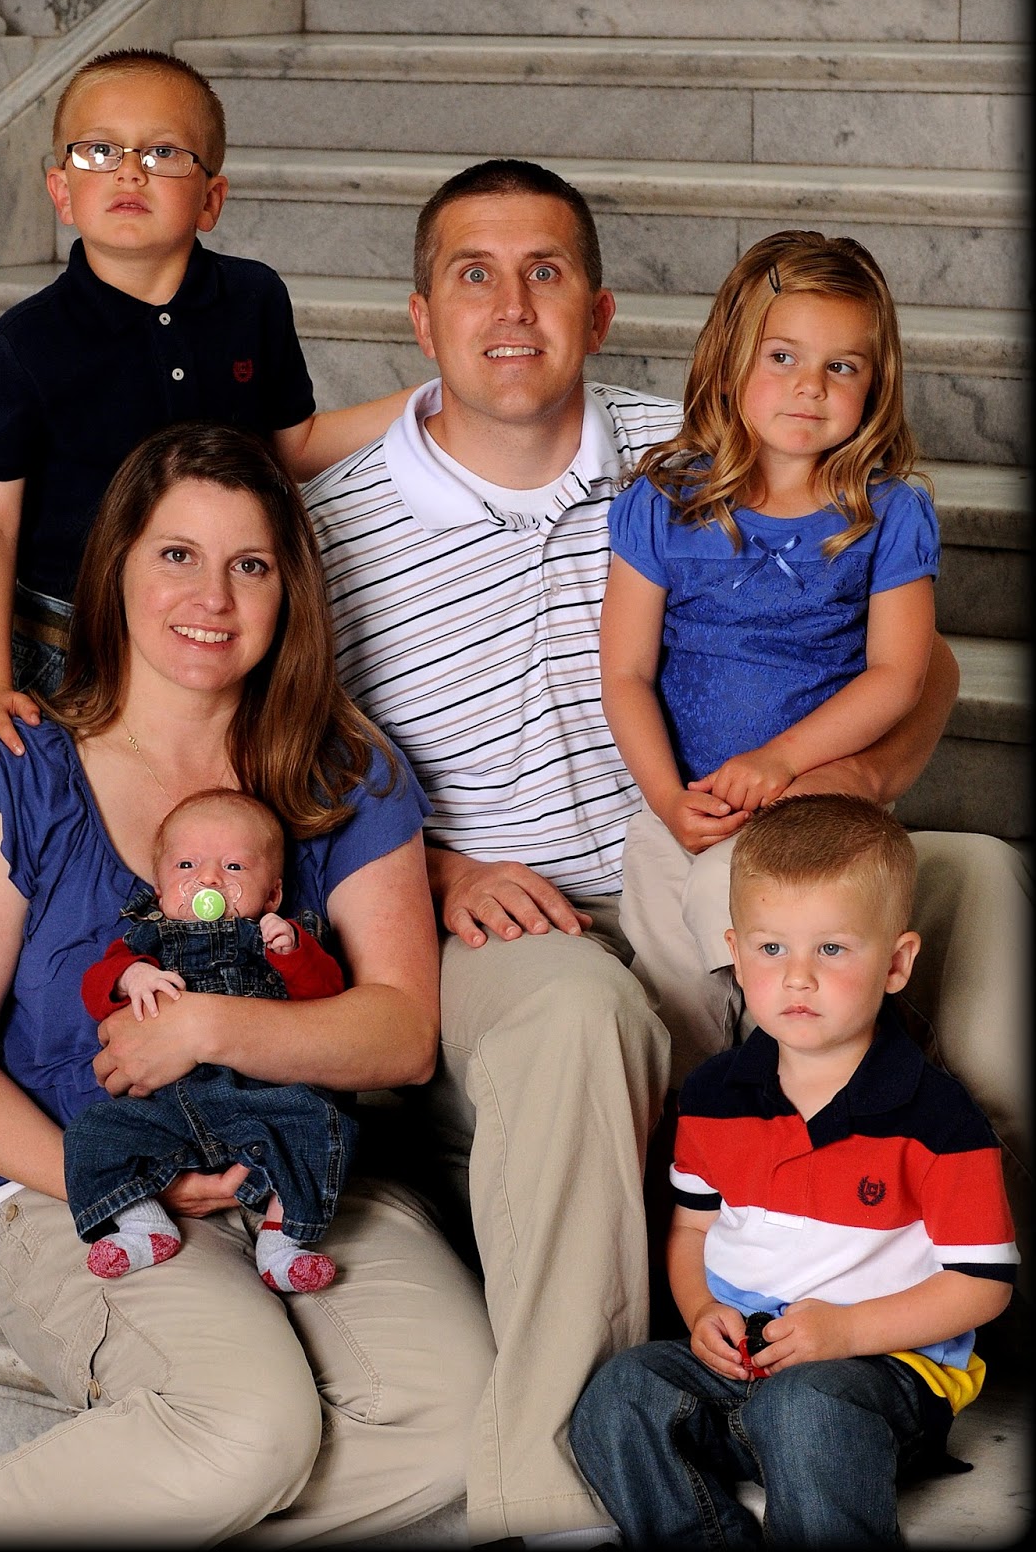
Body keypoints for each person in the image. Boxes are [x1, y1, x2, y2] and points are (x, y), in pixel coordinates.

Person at [301, 157, 1029, 1546]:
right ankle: (583, 1473)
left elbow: (912, 668)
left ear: (603, 304)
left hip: (773, 840)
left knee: (986, 882)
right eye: (474, 274)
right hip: (510, 921)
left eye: (546, 272)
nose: (512, 306)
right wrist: (429, 871)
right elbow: (284, 758)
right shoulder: (332, 523)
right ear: (417, 318)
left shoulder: (690, 443)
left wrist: (861, 775)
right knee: (586, 1009)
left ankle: (957, 1315)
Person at [0, 422, 494, 1545]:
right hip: (74, 1188)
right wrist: (123, 1180)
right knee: (252, 1427)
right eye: (175, 554)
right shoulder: (18, 774)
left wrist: (212, 1027)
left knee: (463, 1422)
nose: (210, 595)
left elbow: (403, 1031)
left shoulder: (343, 772)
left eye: (250, 564)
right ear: (116, 570)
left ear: (290, 590)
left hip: (302, 1175)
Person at [0, 45, 413, 1295]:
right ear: (55, 187)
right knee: (37, 882)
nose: (127, 173)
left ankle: (244, 1112)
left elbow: (286, 447)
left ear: (214, 194)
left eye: (163, 153)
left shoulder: (248, 299)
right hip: (58, 620)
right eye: (97, 150)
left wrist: (425, 411)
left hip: (201, 594)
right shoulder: (26, 341)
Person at [569, 794, 1018, 1548]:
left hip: (882, 1377)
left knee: (804, 1406)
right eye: (771, 949)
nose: (797, 978)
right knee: (621, 1392)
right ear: (736, 953)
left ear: (897, 962)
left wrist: (846, 1329)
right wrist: (699, 1309)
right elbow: (690, 1226)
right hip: (747, 1361)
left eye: (832, 950)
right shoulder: (715, 1095)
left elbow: (981, 1285)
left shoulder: (937, 1119)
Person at [600, 230, 940, 1088]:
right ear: (727, 360)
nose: (808, 386)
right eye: (782, 355)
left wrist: (781, 762)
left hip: (807, 816)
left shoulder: (886, 515)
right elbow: (625, 674)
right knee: (675, 991)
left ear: (877, 381)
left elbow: (899, 674)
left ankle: (816, 1123)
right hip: (683, 808)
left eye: (842, 367)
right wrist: (668, 800)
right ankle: (697, 1160)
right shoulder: (663, 503)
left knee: (782, 982)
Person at [71, 787, 351, 1292]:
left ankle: (283, 1239)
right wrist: (131, 977)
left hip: (261, 1099)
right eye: (186, 866)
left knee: (320, 1122)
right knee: (94, 1132)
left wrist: (292, 955)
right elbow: (95, 987)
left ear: (272, 895)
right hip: (169, 1108)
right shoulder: (147, 941)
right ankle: (141, 1224)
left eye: (234, 868)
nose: (208, 879)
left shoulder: (279, 936)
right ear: (159, 892)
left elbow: (327, 997)